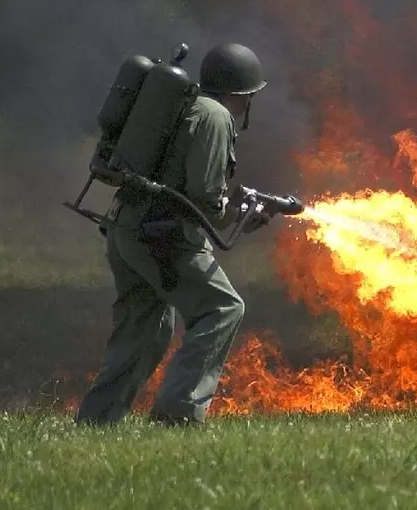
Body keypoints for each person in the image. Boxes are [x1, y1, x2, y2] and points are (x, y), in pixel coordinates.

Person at [75, 43, 272, 427]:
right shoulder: (216, 117)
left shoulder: (184, 104)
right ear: (245, 93)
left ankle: (97, 420)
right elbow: (205, 197)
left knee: (143, 327)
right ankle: (179, 414)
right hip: (163, 236)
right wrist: (240, 215)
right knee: (222, 308)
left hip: (125, 228)